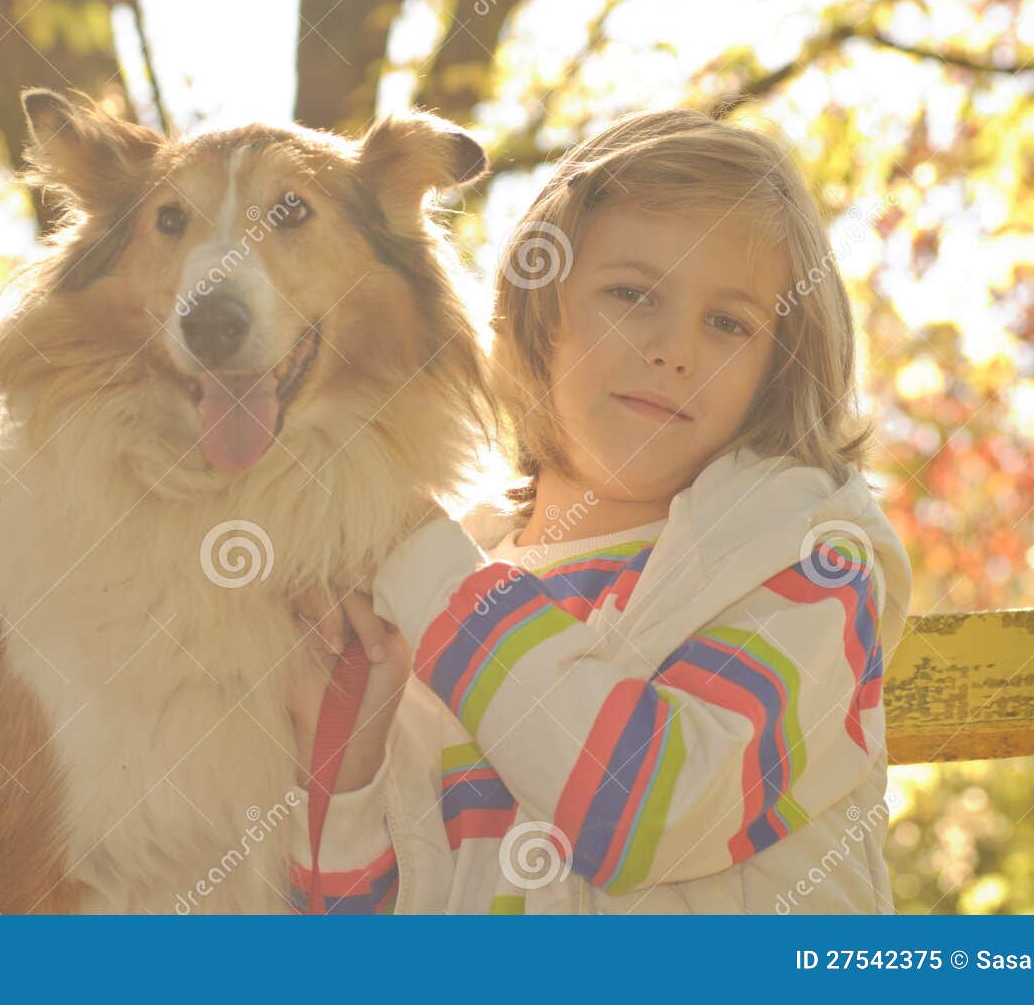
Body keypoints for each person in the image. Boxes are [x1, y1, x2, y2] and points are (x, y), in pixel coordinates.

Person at [285, 108, 913, 914]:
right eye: (631, 294)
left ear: (779, 369)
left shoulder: (806, 555)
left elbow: (642, 812)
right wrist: (350, 764)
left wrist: (411, 548)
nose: (675, 347)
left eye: (727, 321)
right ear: (537, 312)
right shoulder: (448, 595)